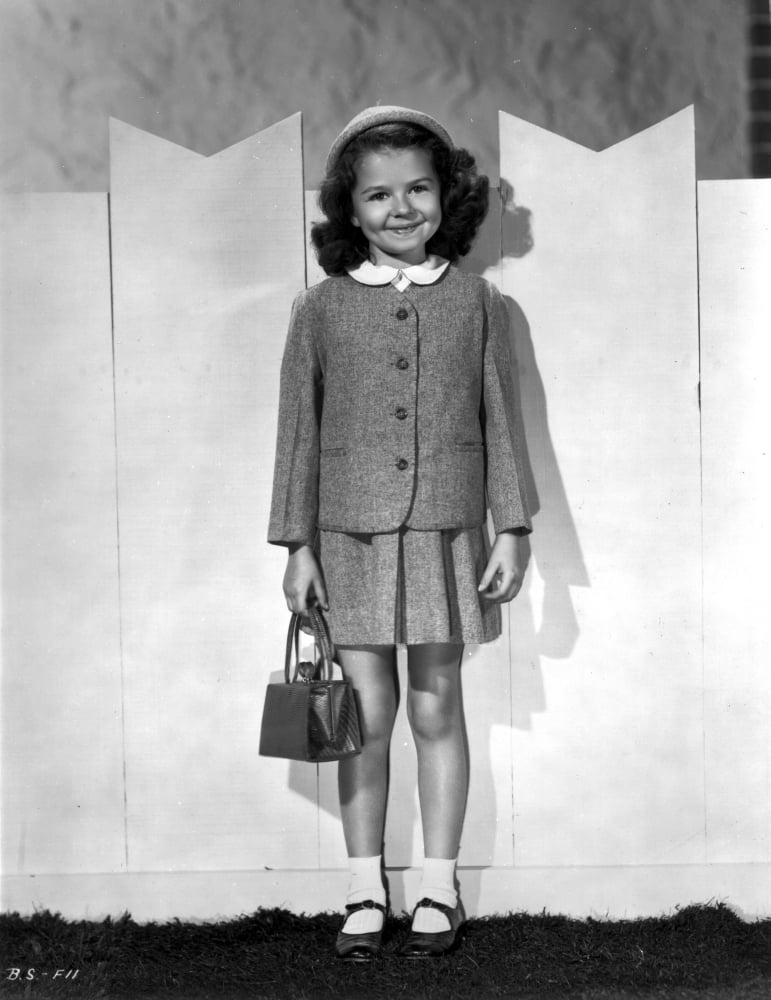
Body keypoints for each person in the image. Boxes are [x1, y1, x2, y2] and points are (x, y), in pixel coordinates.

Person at [268, 106, 531, 962]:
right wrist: (296, 545)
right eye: (378, 194)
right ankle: (362, 889)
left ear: (445, 196)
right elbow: (298, 434)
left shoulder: (478, 301)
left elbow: (500, 420)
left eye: (417, 188)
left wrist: (510, 527)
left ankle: (438, 887)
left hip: (446, 532)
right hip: (348, 537)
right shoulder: (319, 308)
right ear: (349, 208)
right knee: (366, 715)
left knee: (436, 702)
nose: (400, 208)